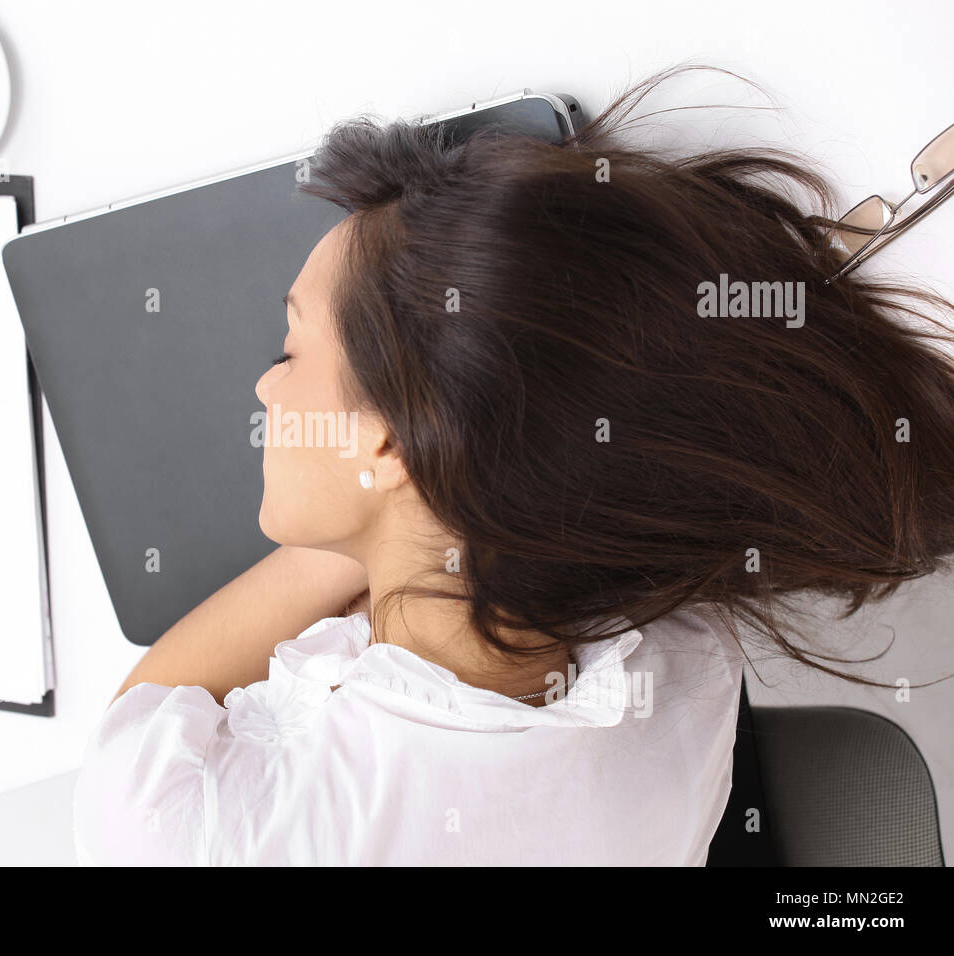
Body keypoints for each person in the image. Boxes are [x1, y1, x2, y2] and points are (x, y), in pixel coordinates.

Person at [73, 63, 954, 865]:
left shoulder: (191, 833)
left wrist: (368, 522)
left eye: (290, 348)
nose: (265, 387)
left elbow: (146, 714)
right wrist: (397, 493)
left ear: (390, 441)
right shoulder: (676, 667)